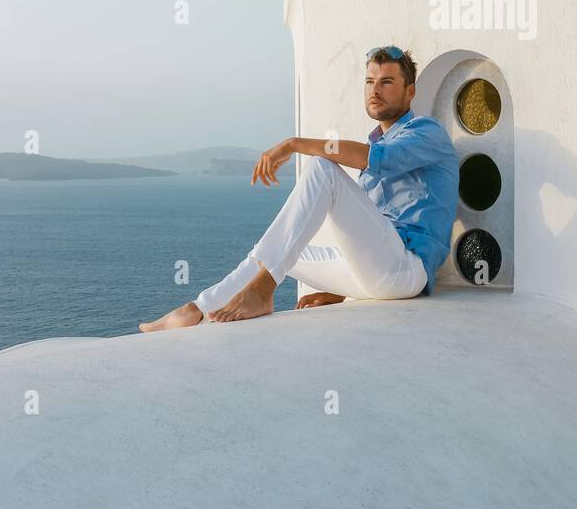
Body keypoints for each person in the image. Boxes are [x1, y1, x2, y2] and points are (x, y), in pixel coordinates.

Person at [139, 46, 458, 331]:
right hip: (375, 276)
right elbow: (371, 233)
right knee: (276, 251)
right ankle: (197, 309)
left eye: (387, 82)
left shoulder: (428, 132)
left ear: (410, 91)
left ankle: (263, 291)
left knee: (322, 167)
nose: (375, 90)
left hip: (408, 269)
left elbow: (382, 160)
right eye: (370, 81)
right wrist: (338, 291)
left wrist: (293, 144)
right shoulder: (377, 141)